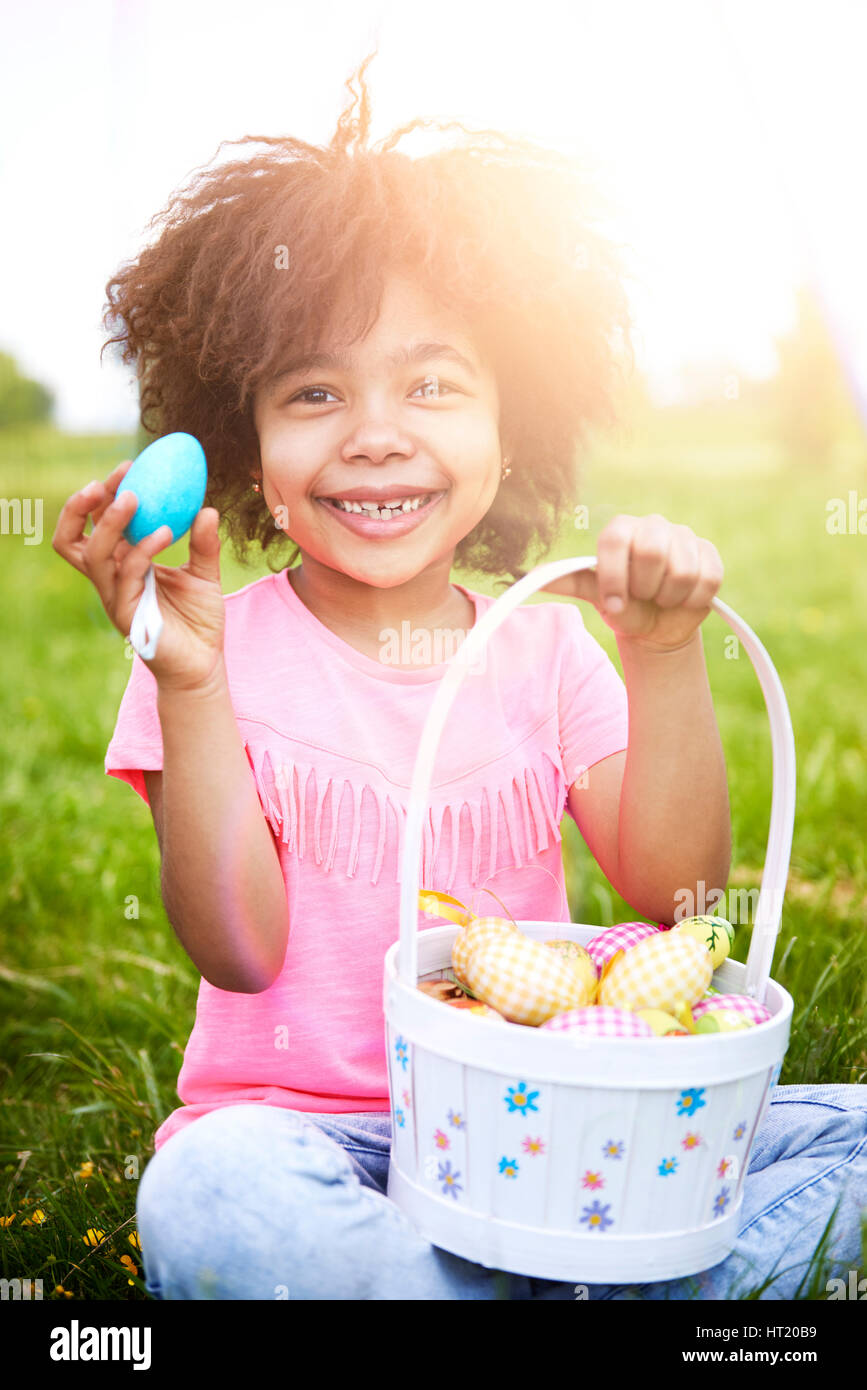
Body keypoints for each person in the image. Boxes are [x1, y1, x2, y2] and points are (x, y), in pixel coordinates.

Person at [52, 51, 866, 1300]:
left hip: (544, 1132)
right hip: (313, 1141)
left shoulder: (542, 644)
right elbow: (239, 952)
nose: (376, 431)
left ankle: (525, 1279)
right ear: (249, 448)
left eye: (433, 384)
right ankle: (592, 1287)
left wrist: (660, 661)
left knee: (850, 1137)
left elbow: (682, 897)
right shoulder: (206, 647)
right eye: (314, 391)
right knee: (208, 1193)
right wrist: (194, 685)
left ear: (510, 427)